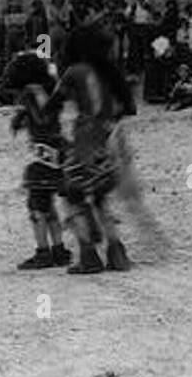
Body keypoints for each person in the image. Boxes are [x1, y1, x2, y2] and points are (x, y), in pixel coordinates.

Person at [46, 24, 138, 273]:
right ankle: (117, 251)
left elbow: (52, 105)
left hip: (87, 138)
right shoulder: (109, 73)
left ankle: (88, 254)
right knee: (99, 197)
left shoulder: (74, 72)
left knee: (72, 195)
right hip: (113, 140)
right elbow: (126, 108)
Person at [6, 52, 70, 269]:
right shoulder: (51, 87)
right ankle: (59, 250)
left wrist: (24, 114)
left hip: (43, 153)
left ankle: (43, 252)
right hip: (58, 148)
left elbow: (43, 117)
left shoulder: (32, 93)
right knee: (48, 204)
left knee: (36, 205)